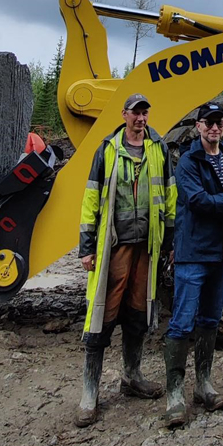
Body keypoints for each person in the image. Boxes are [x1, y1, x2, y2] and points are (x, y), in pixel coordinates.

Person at [75, 93, 176, 427]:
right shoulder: (107, 150)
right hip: (113, 247)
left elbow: (170, 196)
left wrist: (170, 241)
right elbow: (91, 198)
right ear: (124, 115)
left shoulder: (158, 149)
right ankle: (90, 393)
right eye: (135, 113)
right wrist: (86, 246)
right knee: (102, 312)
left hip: (146, 246)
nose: (141, 119)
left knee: (138, 311)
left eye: (145, 113)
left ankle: (131, 376)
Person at [163, 103, 223, 427]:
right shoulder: (188, 161)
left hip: (220, 253)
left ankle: (203, 384)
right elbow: (197, 201)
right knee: (181, 322)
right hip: (193, 252)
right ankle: (174, 394)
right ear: (199, 126)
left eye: (219, 122)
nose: (214, 128)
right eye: (208, 122)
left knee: (210, 320)